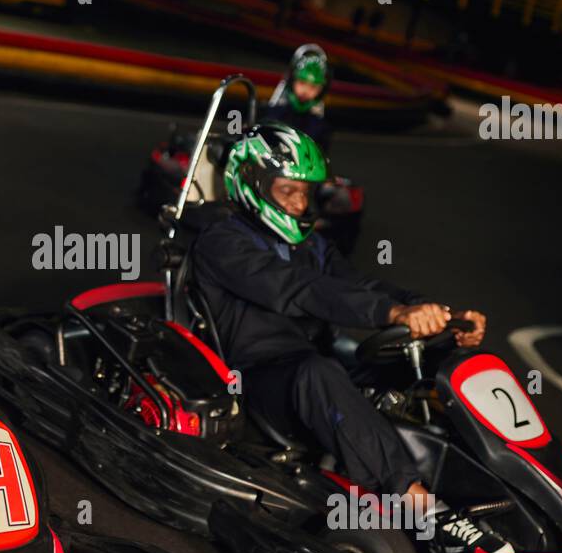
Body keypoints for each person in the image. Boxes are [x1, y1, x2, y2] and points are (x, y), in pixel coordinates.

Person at [192, 122, 486, 504]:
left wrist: (436, 313)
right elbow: (299, 290)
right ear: (253, 185)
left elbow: (362, 285)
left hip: (316, 365)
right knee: (319, 373)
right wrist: (392, 313)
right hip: (256, 382)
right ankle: (418, 503)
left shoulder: (312, 246)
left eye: (305, 192)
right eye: (288, 191)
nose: (299, 204)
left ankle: (492, 474)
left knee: (439, 356)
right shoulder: (223, 243)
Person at [263, 43, 333, 155]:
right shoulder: (272, 115)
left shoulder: (320, 129)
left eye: (313, 87)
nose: (305, 91)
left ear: (321, 91)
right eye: (302, 83)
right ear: (292, 81)